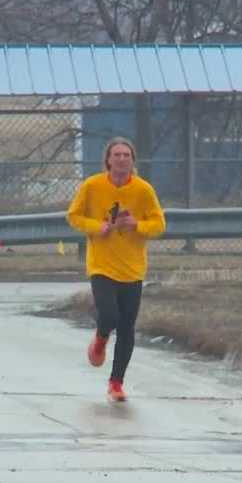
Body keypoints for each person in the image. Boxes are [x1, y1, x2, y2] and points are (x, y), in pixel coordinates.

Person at [66, 136, 166, 402]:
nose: (122, 159)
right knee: (109, 314)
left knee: (127, 326)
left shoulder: (143, 190)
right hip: (101, 264)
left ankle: (116, 383)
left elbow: (159, 224)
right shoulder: (92, 186)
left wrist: (137, 225)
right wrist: (95, 227)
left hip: (132, 268)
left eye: (127, 155)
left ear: (133, 161)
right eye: (117, 155)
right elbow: (73, 216)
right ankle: (100, 339)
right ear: (108, 160)